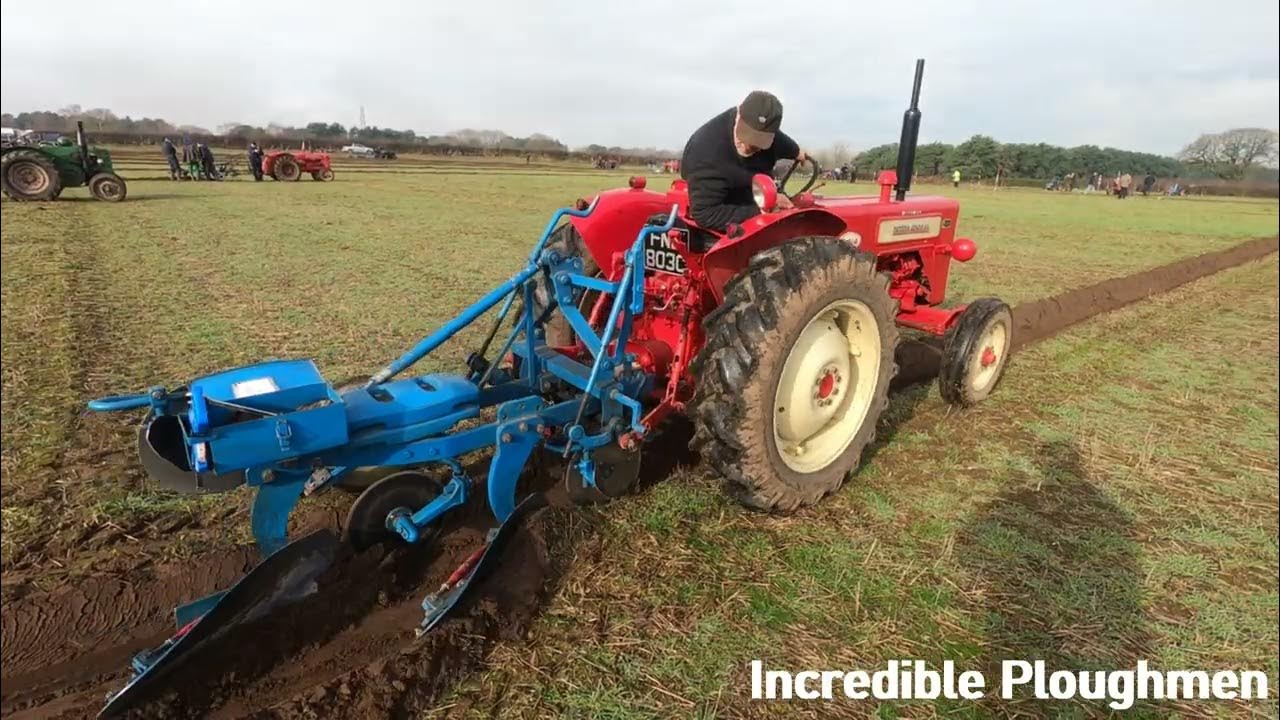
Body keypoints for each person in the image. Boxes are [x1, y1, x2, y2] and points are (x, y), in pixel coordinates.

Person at [679, 90, 807, 232]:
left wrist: (797, 152)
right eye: (746, 135)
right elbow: (705, 214)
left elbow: (780, 140)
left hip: (754, 193)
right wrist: (761, 212)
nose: (746, 146)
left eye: (758, 142)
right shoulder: (704, 151)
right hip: (721, 207)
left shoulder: (768, 132)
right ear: (739, 113)